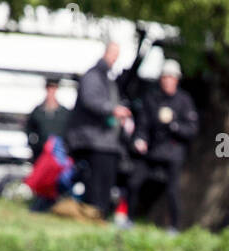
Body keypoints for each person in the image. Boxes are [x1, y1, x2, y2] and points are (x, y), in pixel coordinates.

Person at [126, 60, 199, 232]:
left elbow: (191, 129)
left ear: (176, 80)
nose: (168, 80)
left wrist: (174, 125)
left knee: (173, 190)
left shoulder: (184, 101)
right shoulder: (151, 99)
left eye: (171, 77)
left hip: (173, 152)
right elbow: (142, 124)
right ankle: (128, 220)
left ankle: (174, 227)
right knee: (134, 182)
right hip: (152, 150)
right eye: (165, 77)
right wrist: (140, 139)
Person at [66, 42, 132, 217]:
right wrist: (113, 109)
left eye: (116, 55)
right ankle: (93, 214)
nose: (114, 58)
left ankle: (99, 214)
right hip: (92, 139)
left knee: (107, 180)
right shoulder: (94, 75)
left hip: (106, 141)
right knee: (97, 182)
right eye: (112, 54)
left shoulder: (107, 77)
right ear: (106, 53)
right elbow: (90, 100)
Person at [25, 78, 69, 160]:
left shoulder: (64, 112)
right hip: (41, 153)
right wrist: (34, 144)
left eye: (53, 89)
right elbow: (29, 129)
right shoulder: (38, 111)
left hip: (60, 155)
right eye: (49, 89)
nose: (51, 92)